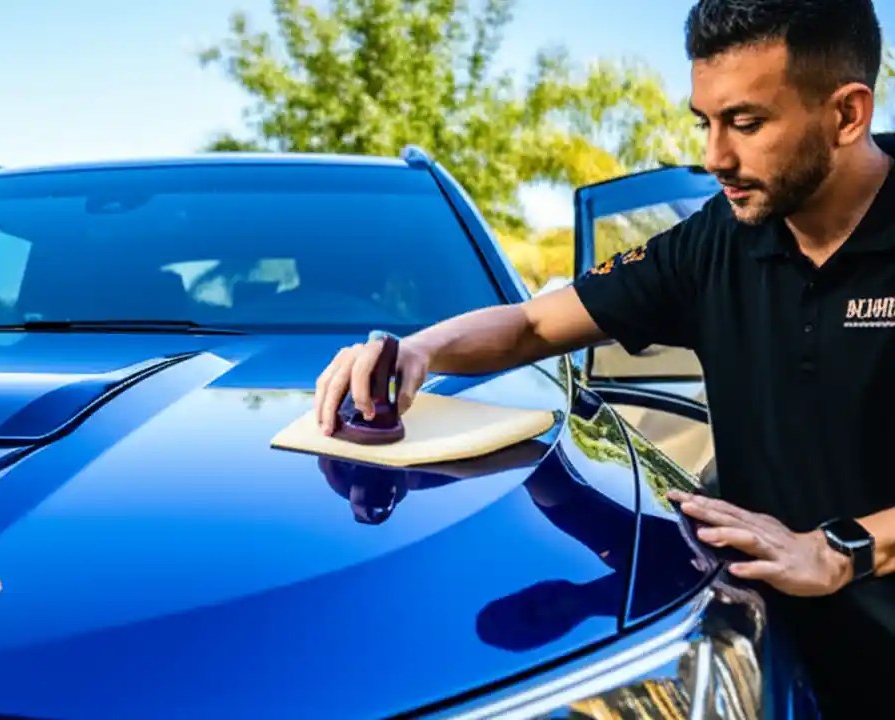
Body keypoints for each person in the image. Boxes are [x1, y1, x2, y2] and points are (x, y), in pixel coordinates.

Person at [312, 0, 893, 715]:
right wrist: (421, 350)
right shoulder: (716, 239)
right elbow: (531, 324)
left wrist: (842, 549)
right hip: (766, 658)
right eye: (704, 123)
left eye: (746, 123)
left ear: (846, 114)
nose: (715, 158)